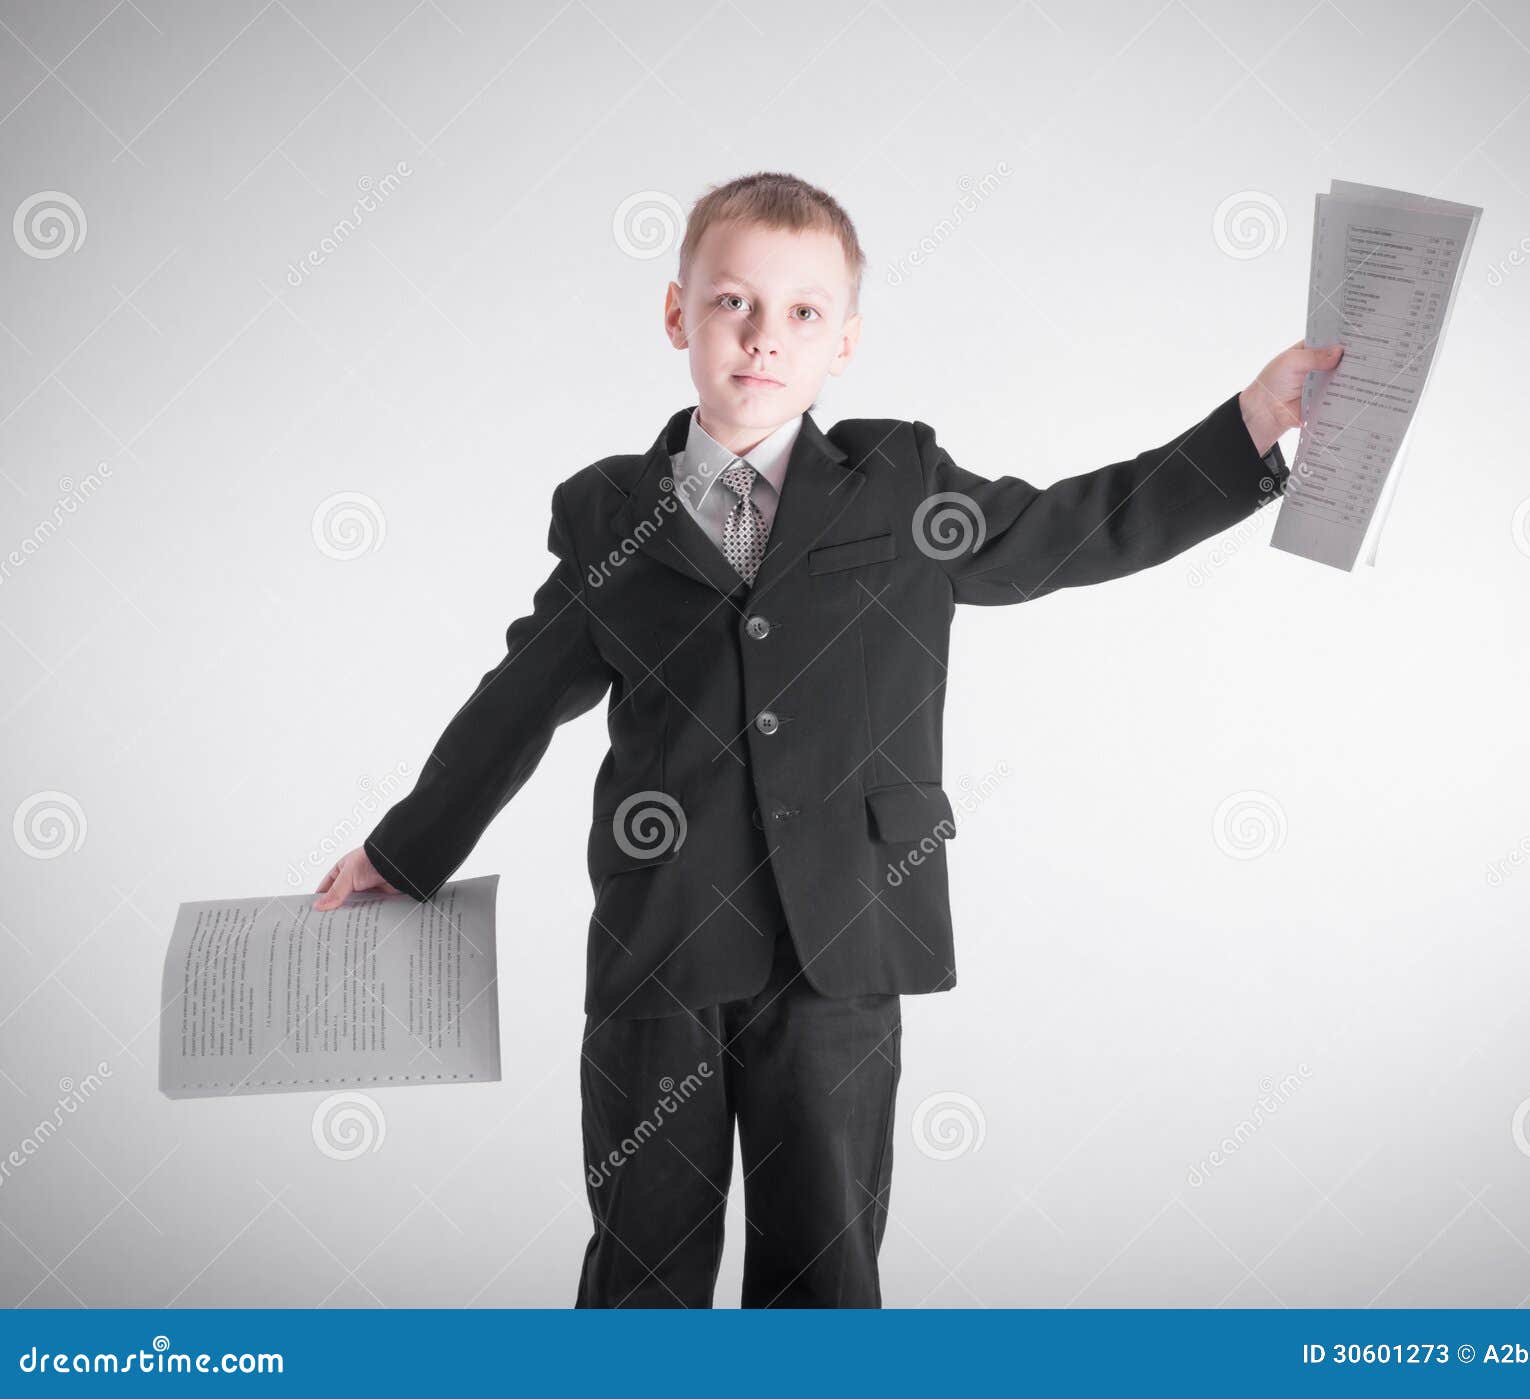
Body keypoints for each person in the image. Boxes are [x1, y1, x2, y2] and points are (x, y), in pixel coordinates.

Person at [312, 170, 1343, 1308]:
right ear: (677, 315)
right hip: (662, 947)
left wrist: (1252, 423)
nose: (765, 336)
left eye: (803, 312)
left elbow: (1072, 531)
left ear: (844, 339)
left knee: (825, 1265)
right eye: (733, 302)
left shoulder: (898, 483)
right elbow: (519, 697)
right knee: (640, 1263)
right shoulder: (608, 512)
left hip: (843, 943)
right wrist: (404, 852)